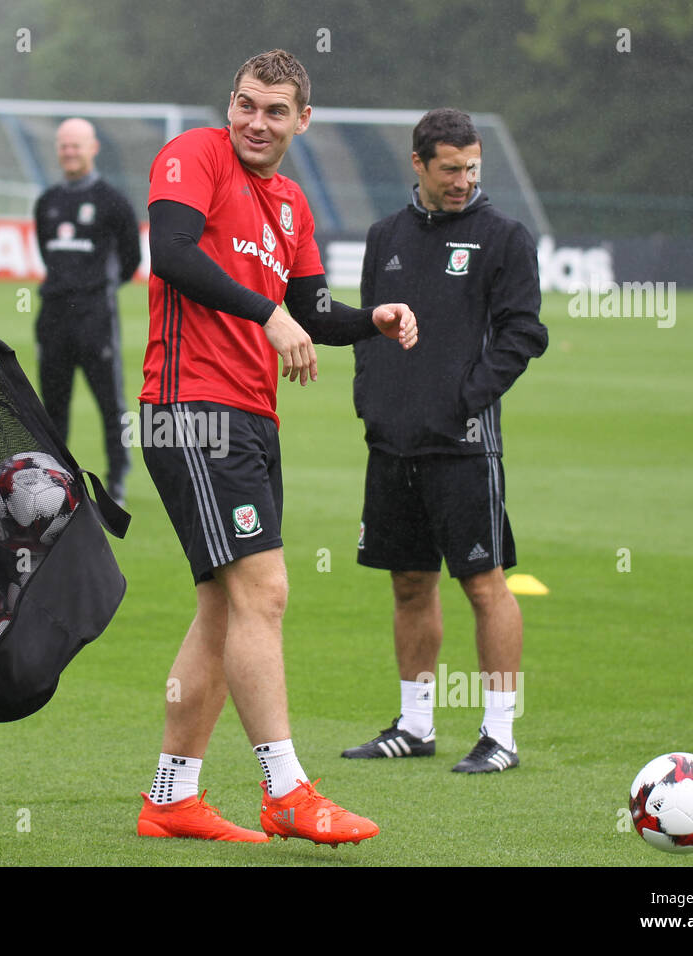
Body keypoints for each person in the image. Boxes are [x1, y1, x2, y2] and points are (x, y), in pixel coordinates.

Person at [136, 50, 418, 845]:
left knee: (225, 608)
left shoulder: (291, 201)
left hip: (250, 418)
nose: (256, 123)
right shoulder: (195, 154)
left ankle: (171, 799)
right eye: (246, 105)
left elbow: (313, 309)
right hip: (190, 410)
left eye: (274, 111)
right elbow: (175, 253)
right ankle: (286, 790)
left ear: (303, 120)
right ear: (230, 103)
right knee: (265, 592)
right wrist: (270, 317)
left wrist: (373, 318)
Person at [342, 108, 548, 773]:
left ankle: (500, 736)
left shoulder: (504, 238)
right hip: (391, 443)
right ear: (420, 165)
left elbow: (523, 335)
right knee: (408, 582)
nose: (462, 181)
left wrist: (465, 398)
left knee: (484, 583)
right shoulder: (385, 236)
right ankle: (415, 725)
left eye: (471, 168)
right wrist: (371, 401)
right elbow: (372, 327)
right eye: (450, 169)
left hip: (462, 445)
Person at [33, 118, 142, 504]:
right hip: (54, 318)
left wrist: (98, 288)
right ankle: (54, 482)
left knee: (110, 404)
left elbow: (132, 260)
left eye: (76, 145)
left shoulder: (113, 202)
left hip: (96, 318)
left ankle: (117, 481)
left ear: (93, 148)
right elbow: (48, 252)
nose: (69, 152)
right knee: (53, 407)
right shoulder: (47, 203)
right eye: (63, 146)